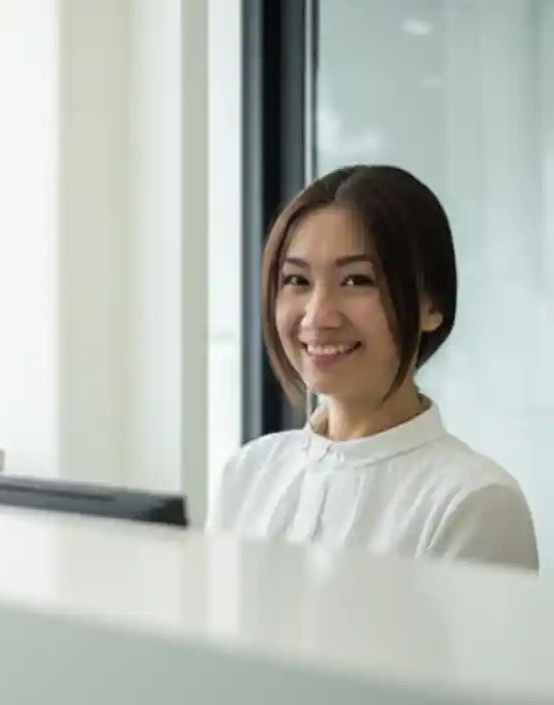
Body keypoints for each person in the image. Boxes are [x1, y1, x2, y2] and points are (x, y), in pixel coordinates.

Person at [207, 165, 538, 571]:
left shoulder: (473, 501)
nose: (318, 317)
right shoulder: (248, 474)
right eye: (297, 280)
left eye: (356, 281)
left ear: (430, 304)